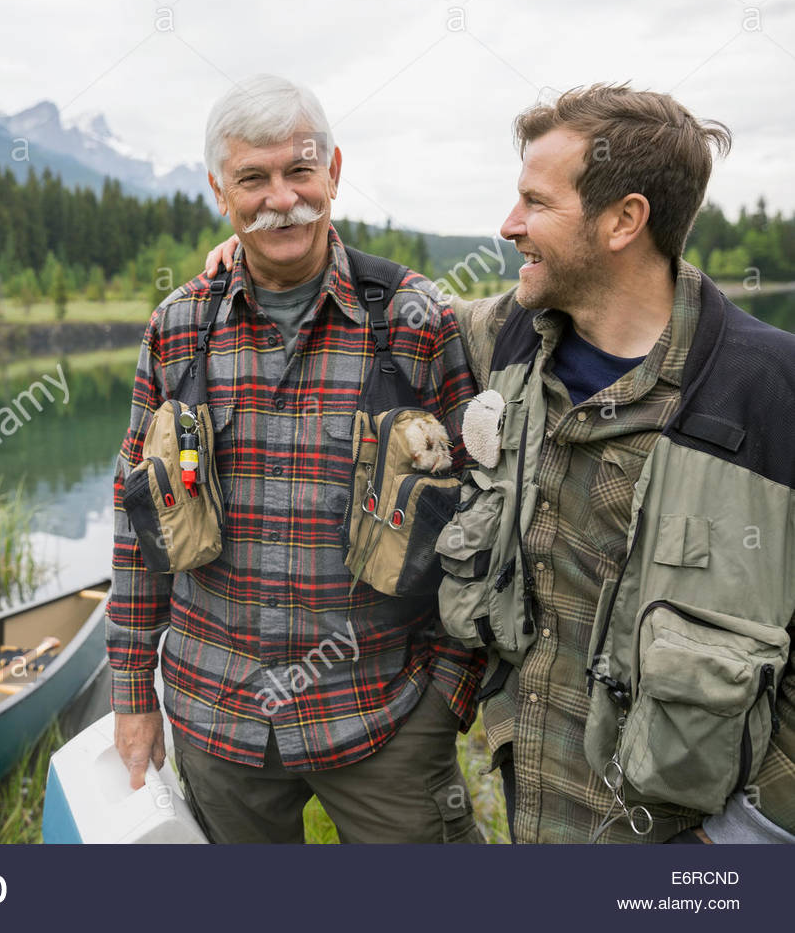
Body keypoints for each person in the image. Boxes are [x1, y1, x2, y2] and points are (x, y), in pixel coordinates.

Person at [205, 83, 795, 844]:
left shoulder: (770, 395)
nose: (509, 226)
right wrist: (257, 249)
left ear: (624, 220)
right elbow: (374, 305)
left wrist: (753, 828)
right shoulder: (501, 339)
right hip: (539, 815)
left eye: (535, 204)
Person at [108, 74, 484, 844]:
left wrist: (450, 690)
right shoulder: (178, 326)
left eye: (299, 171)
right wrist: (132, 696)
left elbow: (482, 519)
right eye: (254, 178)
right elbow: (134, 515)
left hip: (385, 714)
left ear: (334, 172)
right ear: (221, 191)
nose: (282, 198)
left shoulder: (417, 319)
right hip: (217, 722)